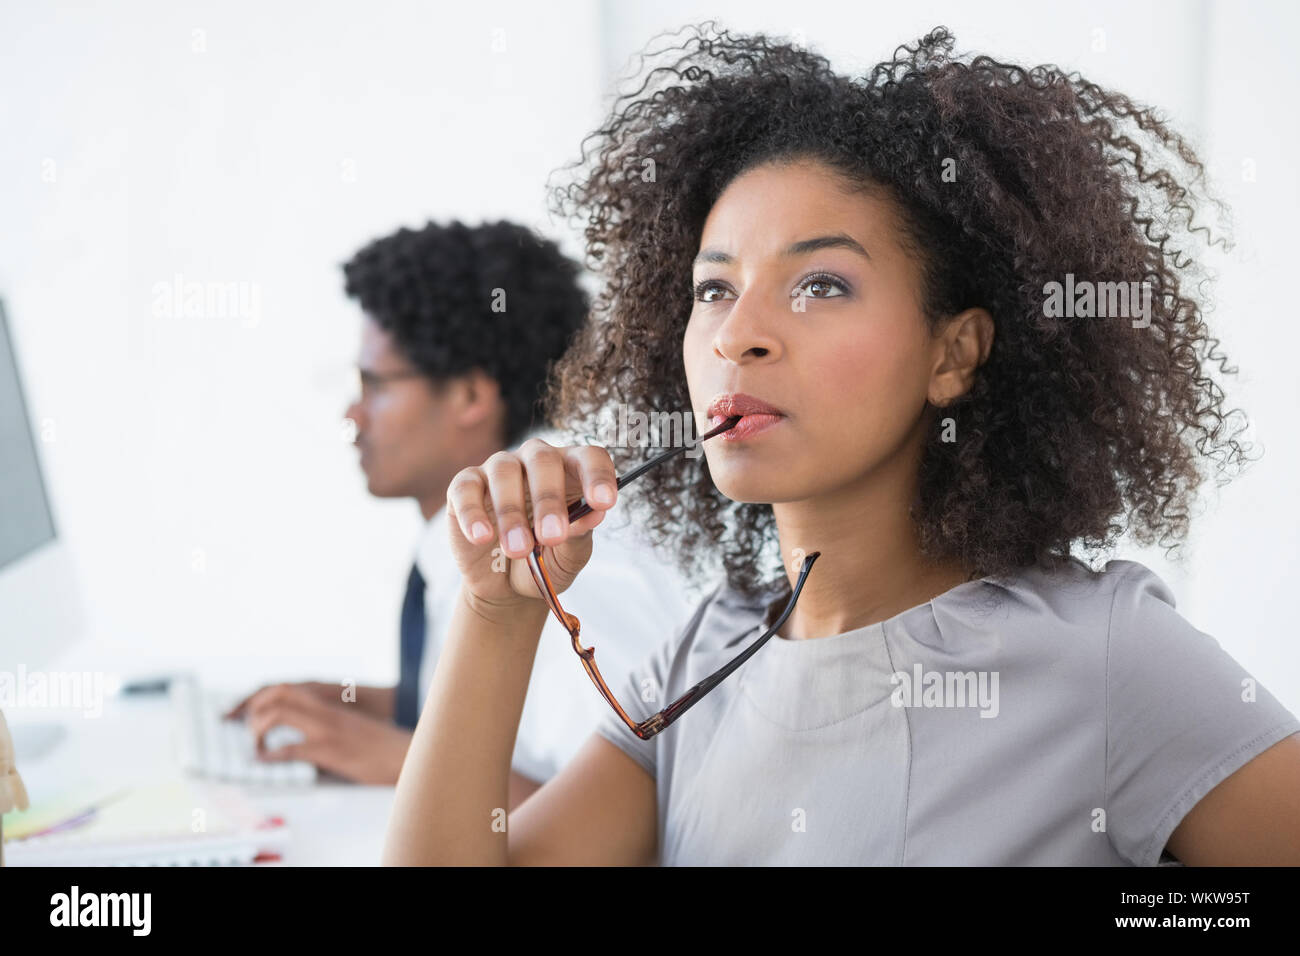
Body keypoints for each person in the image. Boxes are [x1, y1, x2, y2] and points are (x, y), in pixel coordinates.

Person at [381, 25, 1300, 865]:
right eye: (712, 290)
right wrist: (498, 615)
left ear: (954, 353)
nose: (739, 333)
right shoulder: (702, 659)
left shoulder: (1105, 654)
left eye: (820, 284)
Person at [227, 220, 692, 803]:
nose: (353, 413)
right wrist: (372, 708)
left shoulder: (563, 558)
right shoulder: (473, 542)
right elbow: (511, 723)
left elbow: (628, 821)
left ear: (471, 397)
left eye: (375, 384)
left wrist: (391, 756)